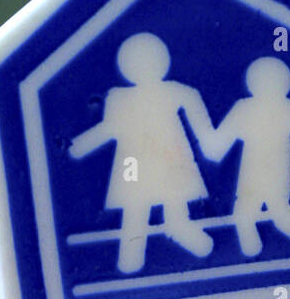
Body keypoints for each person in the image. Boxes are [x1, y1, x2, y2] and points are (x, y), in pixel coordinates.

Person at [69, 33, 220, 274]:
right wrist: (80, 145)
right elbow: (110, 128)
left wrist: (212, 142)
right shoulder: (120, 97)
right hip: (137, 163)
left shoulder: (175, 91)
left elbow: (195, 110)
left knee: (168, 204)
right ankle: (131, 259)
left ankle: (184, 233)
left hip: (169, 158)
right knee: (136, 209)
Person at [211, 57, 290, 256]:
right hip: (262, 169)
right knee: (265, 210)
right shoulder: (256, 108)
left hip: (267, 169)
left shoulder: (253, 108)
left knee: (261, 211)